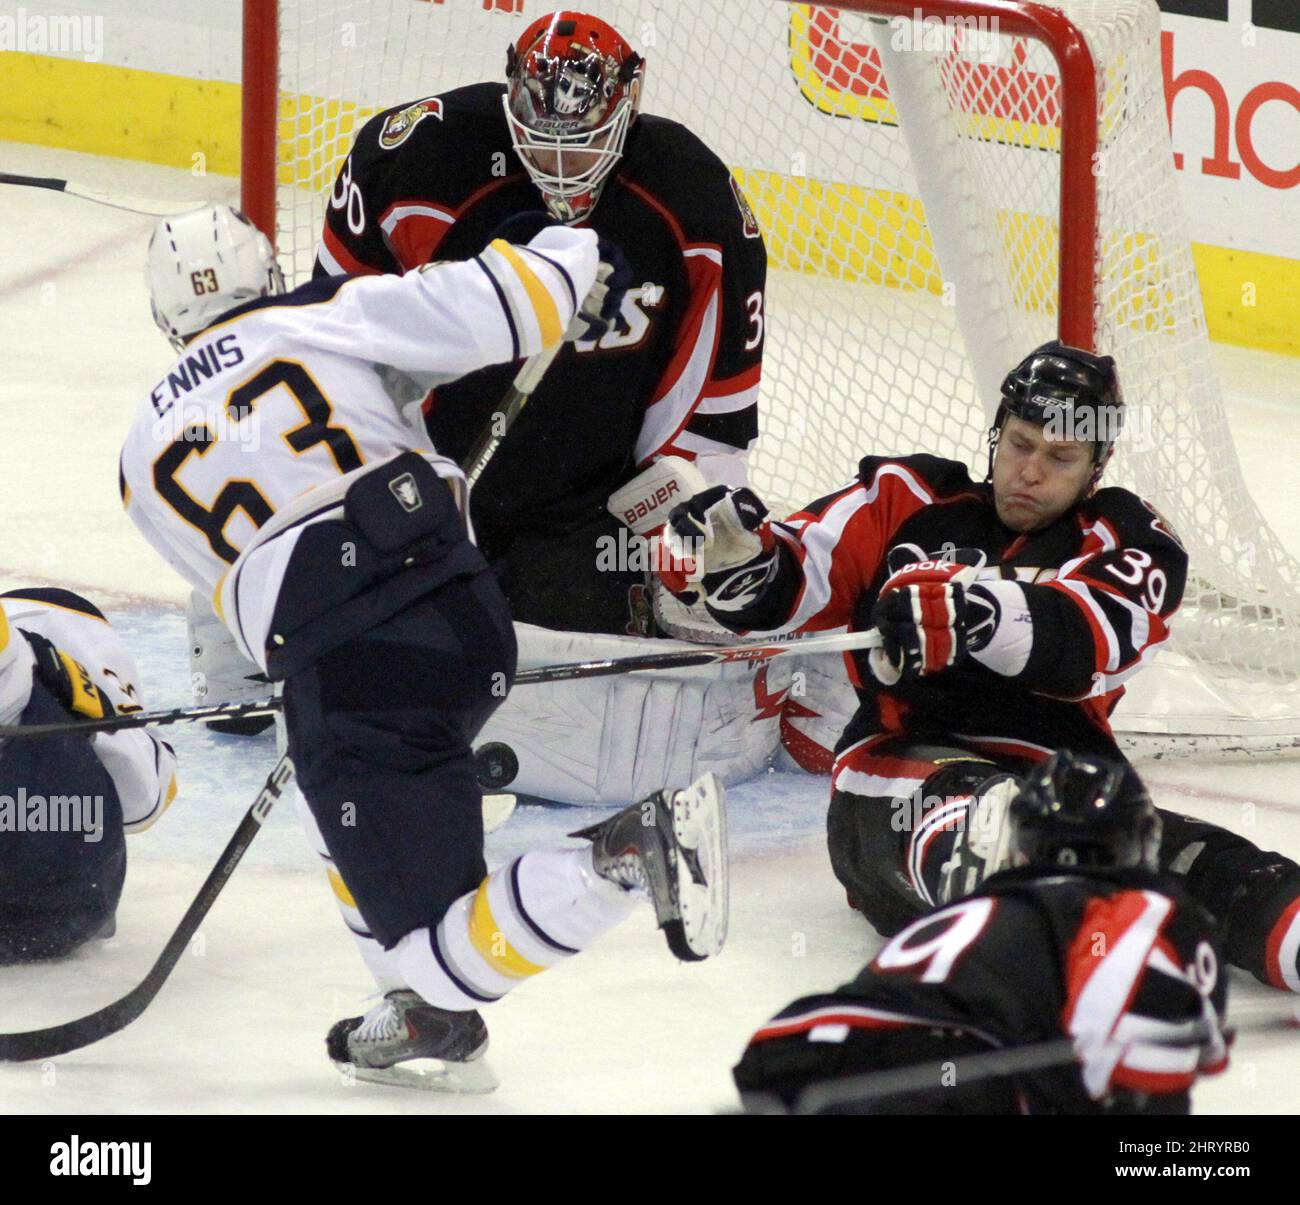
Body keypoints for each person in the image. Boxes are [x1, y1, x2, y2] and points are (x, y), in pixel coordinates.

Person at [121, 202, 729, 1089]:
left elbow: (232, 616)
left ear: (161, 317)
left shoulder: (137, 457)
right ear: (266, 270)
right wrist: (568, 255)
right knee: (330, 796)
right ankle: (416, 1012)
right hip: (462, 617)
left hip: (352, 663)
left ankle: (624, 855)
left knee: (439, 952)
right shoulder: (327, 314)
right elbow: (516, 295)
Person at [658, 340, 1300, 994]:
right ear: (996, 433)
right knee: (987, 822)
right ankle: (1038, 934)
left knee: (1212, 868)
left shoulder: (1130, 538)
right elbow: (794, 580)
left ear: (1097, 466)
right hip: (896, 777)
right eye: (1020, 443)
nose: (1030, 471)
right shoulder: (903, 498)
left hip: (1067, 786)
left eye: (1060, 457)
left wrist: (977, 615)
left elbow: (1088, 638)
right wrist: (734, 565)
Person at [285, 8, 773, 803]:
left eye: (580, 141)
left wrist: (680, 537)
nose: (558, 163)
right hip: (419, 487)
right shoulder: (413, 161)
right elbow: (330, 355)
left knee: (558, 674)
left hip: (580, 509)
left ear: (630, 101)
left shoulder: (697, 204)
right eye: (539, 138)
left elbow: (709, 420)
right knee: (371, 638)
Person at [732, 752, 1230, 1114]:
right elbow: (1133, 1065)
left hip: (793, 1053)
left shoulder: (981, 908)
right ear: (1141, 842)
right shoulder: (1138, 909)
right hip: (943, 1080)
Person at [0, 586, 177, 962]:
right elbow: (144, 801)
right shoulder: (57, 633)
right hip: (60, 912)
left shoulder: (51, 627)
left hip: (57, 906)